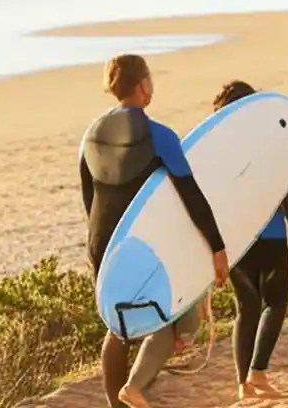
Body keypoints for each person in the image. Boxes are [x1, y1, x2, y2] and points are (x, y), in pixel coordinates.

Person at [80, 55, 229, 408]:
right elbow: (191, 197)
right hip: (144, 243)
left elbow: (90, 198)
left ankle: (118, 403)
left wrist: (103, 244)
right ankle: (134, 387)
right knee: (165, 316)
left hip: (103, 242)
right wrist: (217, 247)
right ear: (143, 85)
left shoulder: (90, 136)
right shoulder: (159, 136)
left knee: (116, 325)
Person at [212, 81, 288, 401]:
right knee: (275, 303)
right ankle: (258, 370)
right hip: (269, 239)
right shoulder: (270, 147)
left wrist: (214, 247)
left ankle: (243, 383)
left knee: (247, 308)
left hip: (237, 242)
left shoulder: (218, 151)